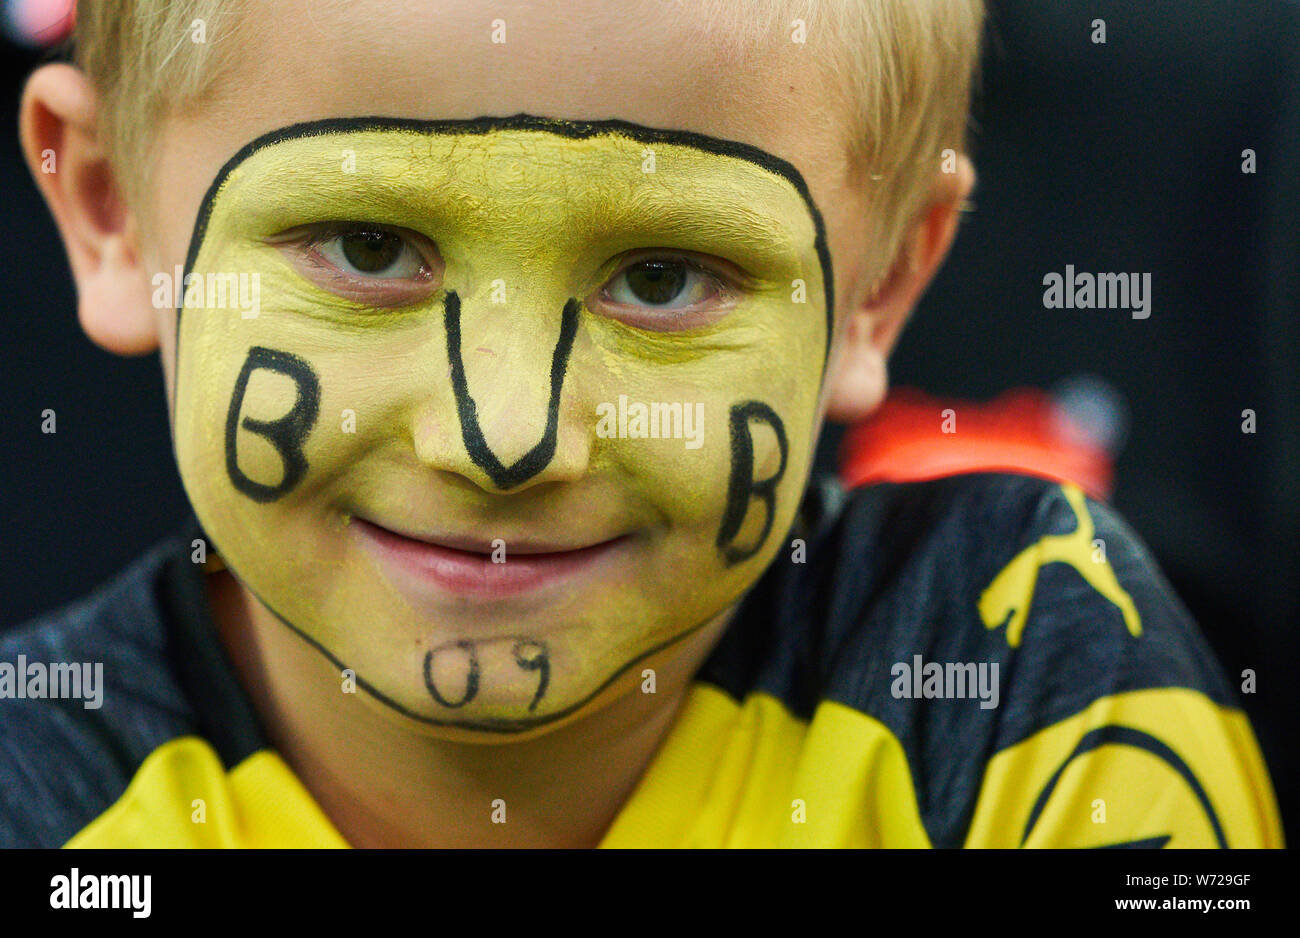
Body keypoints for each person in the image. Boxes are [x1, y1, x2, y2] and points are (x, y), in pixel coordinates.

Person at [2, 0, 1281, 847]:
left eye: (662, 278)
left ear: (877, 284)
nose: (503, 434)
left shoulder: (1016, 677)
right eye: (367, 244)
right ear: (112, 210)